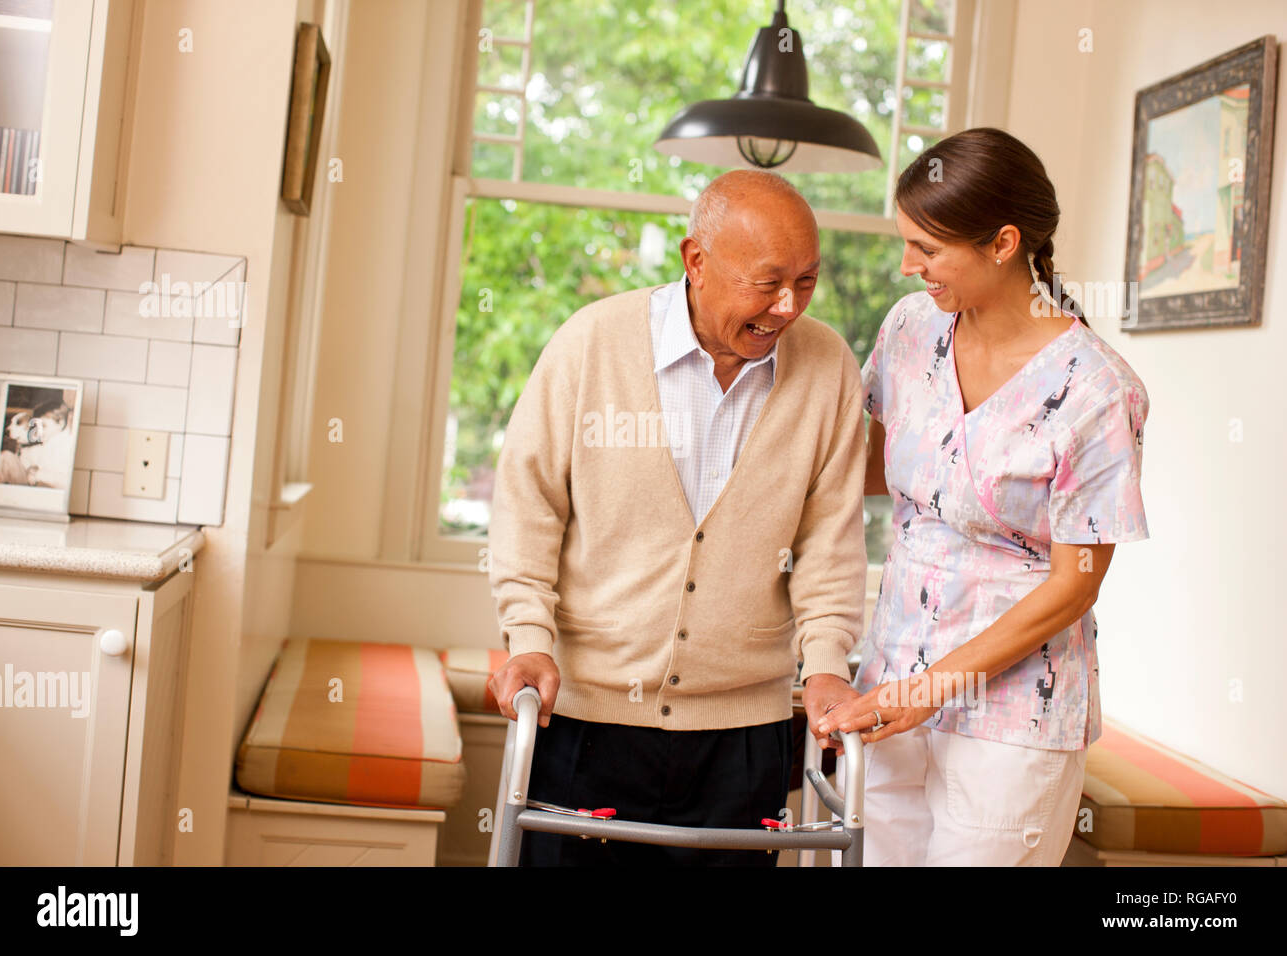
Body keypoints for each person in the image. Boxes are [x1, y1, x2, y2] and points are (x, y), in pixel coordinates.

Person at [486, 169, 868, 866]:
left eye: (807, 282)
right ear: (696, 261)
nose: (787, 306)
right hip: (585, 718)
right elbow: (527, 505)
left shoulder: (828, 368)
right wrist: (527, 634)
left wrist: (826, 663)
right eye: (768, 281)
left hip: (743, 735)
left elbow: (830, 540)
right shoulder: (592, 345)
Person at [817, 127, 1150, 866]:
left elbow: (1075, 585)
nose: (909, 267)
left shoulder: (1096, 391)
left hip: (1011, 718)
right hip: (891, 683)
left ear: (1003, 244)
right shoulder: (910, 330)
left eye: (928, 250)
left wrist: (934, 689)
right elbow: (879, 468)